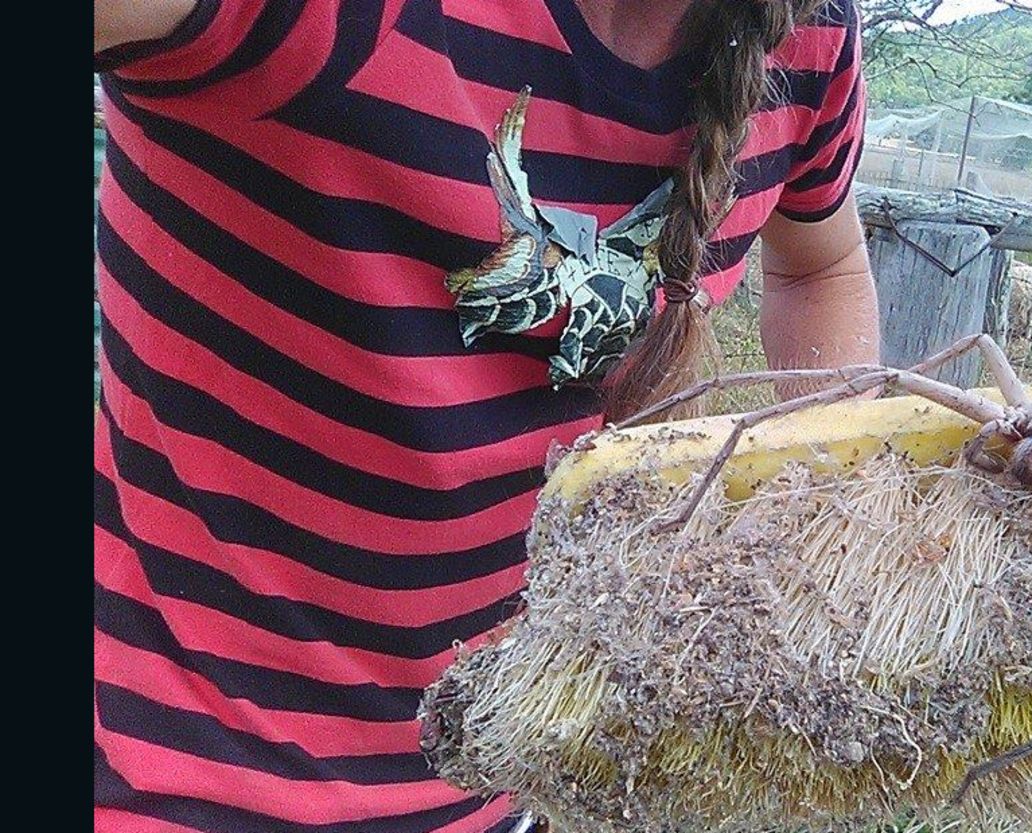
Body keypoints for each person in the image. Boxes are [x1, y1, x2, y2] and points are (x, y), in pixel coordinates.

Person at [93, 1, 879, 830]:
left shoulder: (809, 39)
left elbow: (820, 266)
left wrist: (840, 519)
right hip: (171, 766)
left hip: (491, 771)